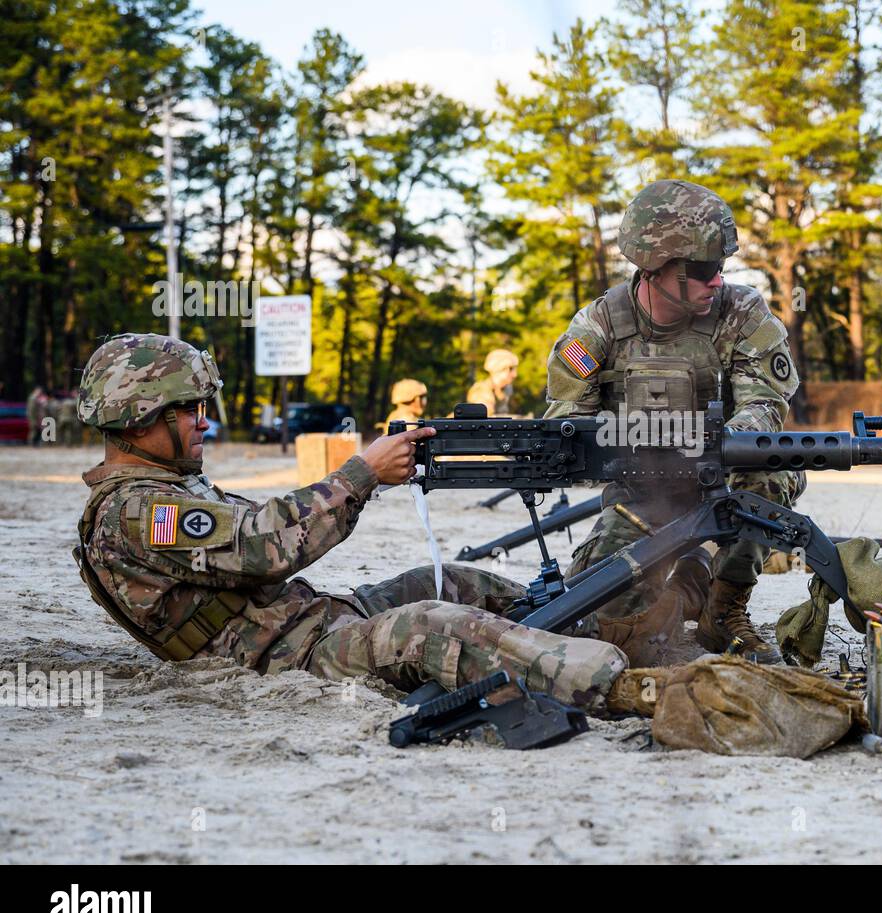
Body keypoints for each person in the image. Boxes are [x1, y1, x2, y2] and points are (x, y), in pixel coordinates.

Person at [74, 334, 636, 713]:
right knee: (433, 624)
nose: (204, 424)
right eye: (192, 411)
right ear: (141, 415)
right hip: (288, 656)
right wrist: (360, 475)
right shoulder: (139, 512)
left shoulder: (161, 493)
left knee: (455, 582)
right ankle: (624, 686)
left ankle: (602, 638)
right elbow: (264, 546)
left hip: (310, 621)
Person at [544, 180, 802, 665]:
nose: (717, 282)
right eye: (704, 270)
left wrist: (715, 442)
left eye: (721, 268)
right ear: (654, 267)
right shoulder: (598, 328)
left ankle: (725, 611)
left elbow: (765, 404)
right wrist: (637, 447)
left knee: (767, 469)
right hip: (641, 492)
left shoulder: (741, 312)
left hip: (724, 476)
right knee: (615, 632)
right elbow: (565, 426)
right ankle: (692, 579)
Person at [466, 349, 519, 416]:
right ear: (497, 369)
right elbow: (483, 421)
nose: (515, 374)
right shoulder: (481, 391)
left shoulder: (505, 390)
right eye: (510, 369)